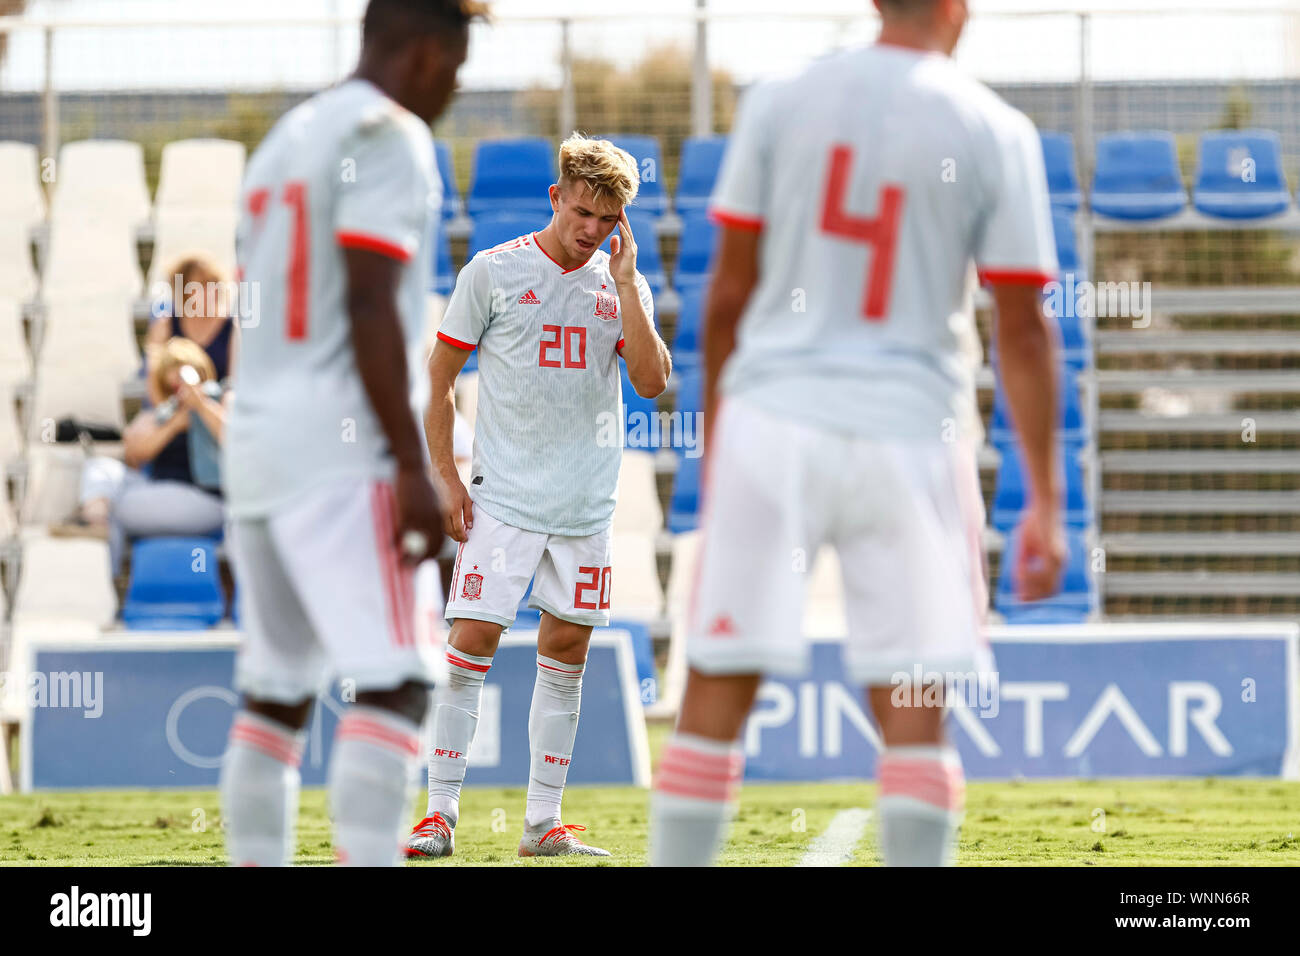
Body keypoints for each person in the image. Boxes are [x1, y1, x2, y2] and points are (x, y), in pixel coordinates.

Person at [649, 0, 1066, 867]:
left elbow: (725, 298)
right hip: (909, 432)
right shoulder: (994, 126)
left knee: (715, 689)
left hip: (773, 419)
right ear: (959, 8)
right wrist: (1047, 504)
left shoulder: (780, 98)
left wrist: (722, 444)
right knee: (914, 710)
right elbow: (1024, 326)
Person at [219, 0, 484, 868]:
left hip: (259, 444)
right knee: (402, 678)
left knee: (276, 695)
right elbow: (371, 301)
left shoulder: (285, 139)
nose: (454, 82)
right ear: (421, 50)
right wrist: (413, 464)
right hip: (341, 449)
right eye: (455, 62)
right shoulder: (390, 132)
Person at [407, 133, 671, 859]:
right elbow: (436, 382)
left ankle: (541, 823)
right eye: (582, 212)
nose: (592, 229)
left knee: (567, 655)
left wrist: (624, 286)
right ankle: (438, 815)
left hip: (584, 507)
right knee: (471, 645)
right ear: (557, 197)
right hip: (503, 500)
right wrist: (444, 477)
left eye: (608, 218)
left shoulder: (620, 285)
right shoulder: (492, 273)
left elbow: (651, 382)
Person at [58, 336, 228, 570]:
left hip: (205, 500)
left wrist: (201, 405)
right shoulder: (161, 415)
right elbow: (136, 453)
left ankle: (100, 566)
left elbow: (235, 440)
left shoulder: (222, 399)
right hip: (157, 490)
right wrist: (175, 423)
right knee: (99, 468)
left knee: (115, 509)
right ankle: (95, 520)